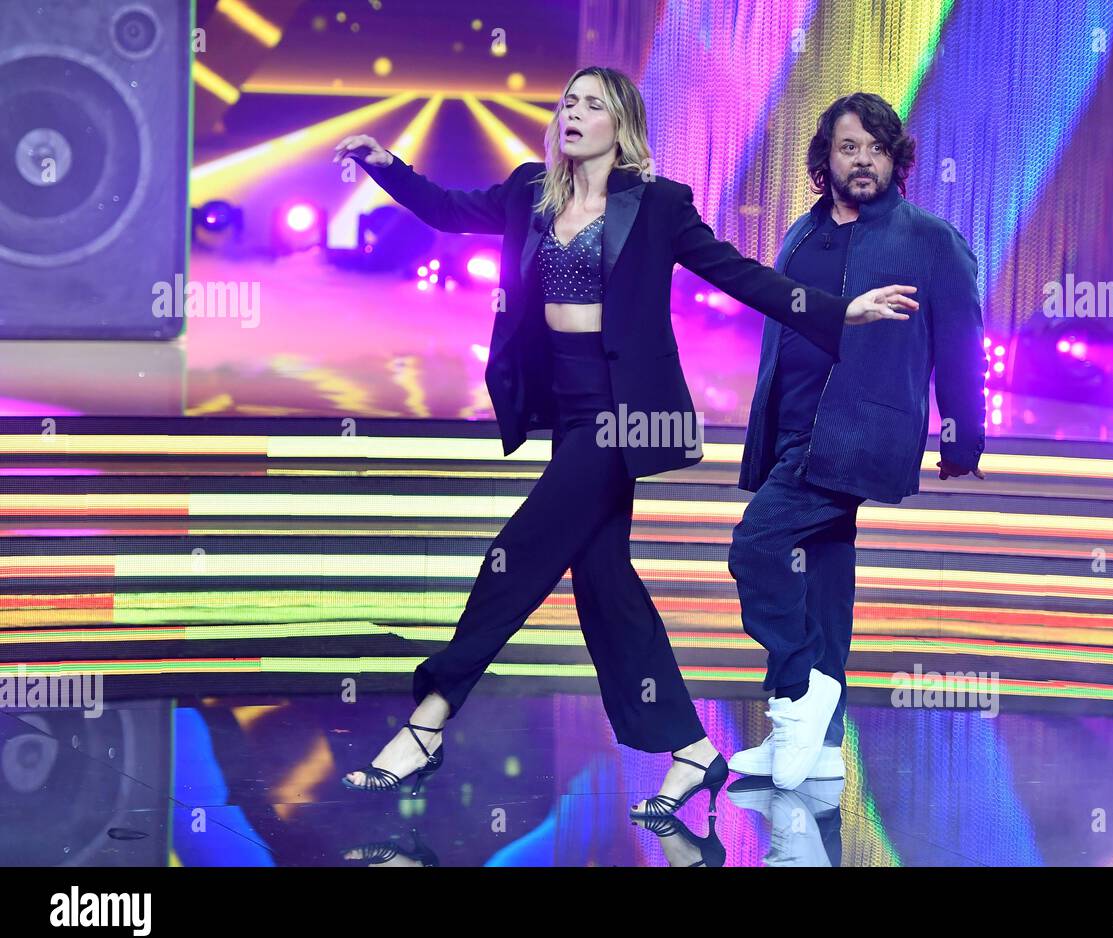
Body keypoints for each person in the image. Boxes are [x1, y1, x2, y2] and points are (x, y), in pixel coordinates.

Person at [332, 68, 911, 817]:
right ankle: (693, 749)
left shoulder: (659, 205)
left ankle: (429, 719)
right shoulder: (529, 192)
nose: (574, 113)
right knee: (604, 586)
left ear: (621, 125)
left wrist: (838, 312)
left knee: (514, 557)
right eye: (568, 101)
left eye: (592, 104)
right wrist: (385, 167)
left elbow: (739, 275)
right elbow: (446, 211)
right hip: (567, 412)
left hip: (620, 417)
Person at [727, 92, 988, 789]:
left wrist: (963, 436)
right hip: (791, 427)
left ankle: (799, 695)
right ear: (827, 158)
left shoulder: (928, 239)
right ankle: (821, 745)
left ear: (896, 158)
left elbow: (962, 343)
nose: (864, 160)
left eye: (877, 148)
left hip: (856, 433)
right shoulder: (802, 233)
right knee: (826, 584)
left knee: (754, 548)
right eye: (850, 147)